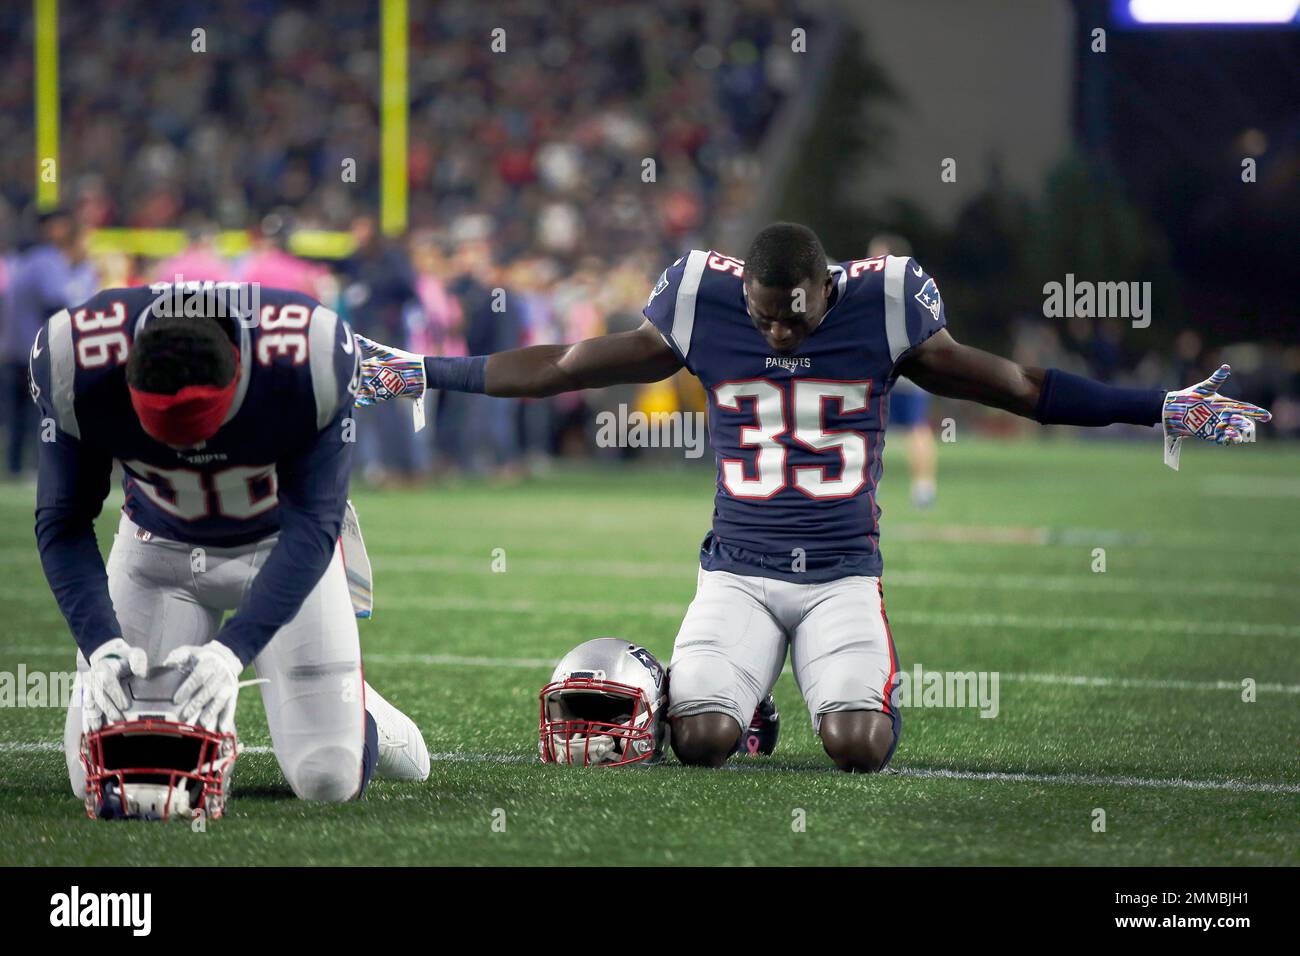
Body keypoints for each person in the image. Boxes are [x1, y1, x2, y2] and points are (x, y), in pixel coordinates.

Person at [352, 222, 1270, 773]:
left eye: (796, 311)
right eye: (764, 313)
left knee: (859, 747)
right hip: (738, 573)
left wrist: (1156, 407)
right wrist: (428, 373)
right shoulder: (700, 301)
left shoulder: (888, 305)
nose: (780, 327)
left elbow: (1020, 386)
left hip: (840, 576)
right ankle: (733, 701)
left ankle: (819, 689)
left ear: (831, 286)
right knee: (704, 741)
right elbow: (560, 364)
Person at [30, 282, 429, 802]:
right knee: (105, 779)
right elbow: (63, 522)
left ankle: (365, 713)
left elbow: (315, 525)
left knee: (327, 779)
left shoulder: (310, 355)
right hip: (156, 554)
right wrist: (102, 644)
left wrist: (231, 652)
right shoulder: (73, 358)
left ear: (242, 374)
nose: (185, 449)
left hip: (280, 549)